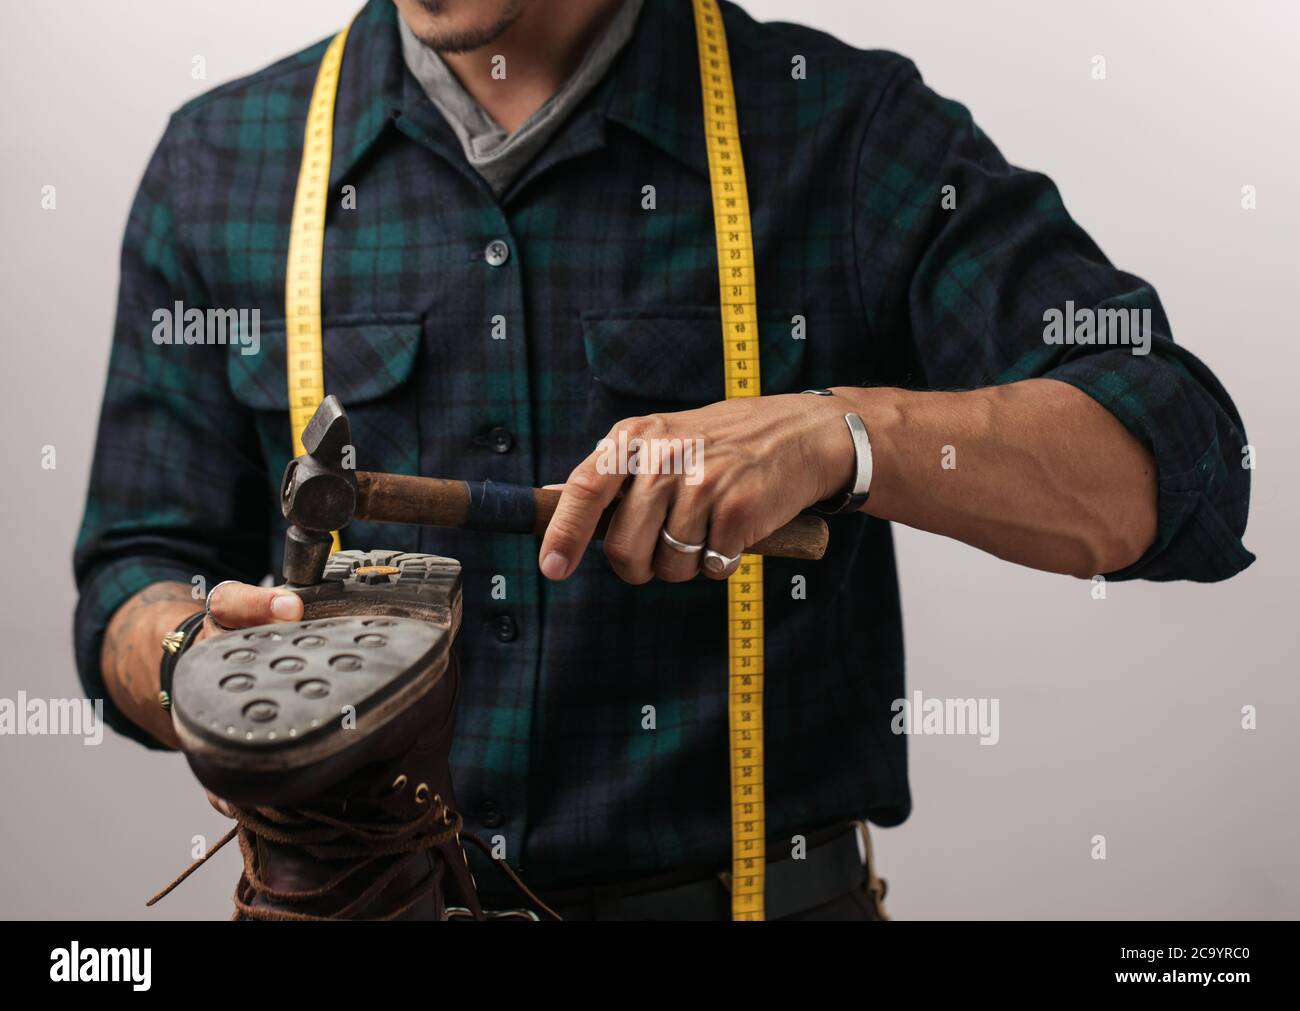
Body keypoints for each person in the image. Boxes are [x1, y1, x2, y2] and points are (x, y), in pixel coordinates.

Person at [73, 0, 1253, 920]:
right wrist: (198, 663)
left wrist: (840, 435)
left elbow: (1178, 459)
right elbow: (131, 574)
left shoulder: (839, 130)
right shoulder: (220, 162)